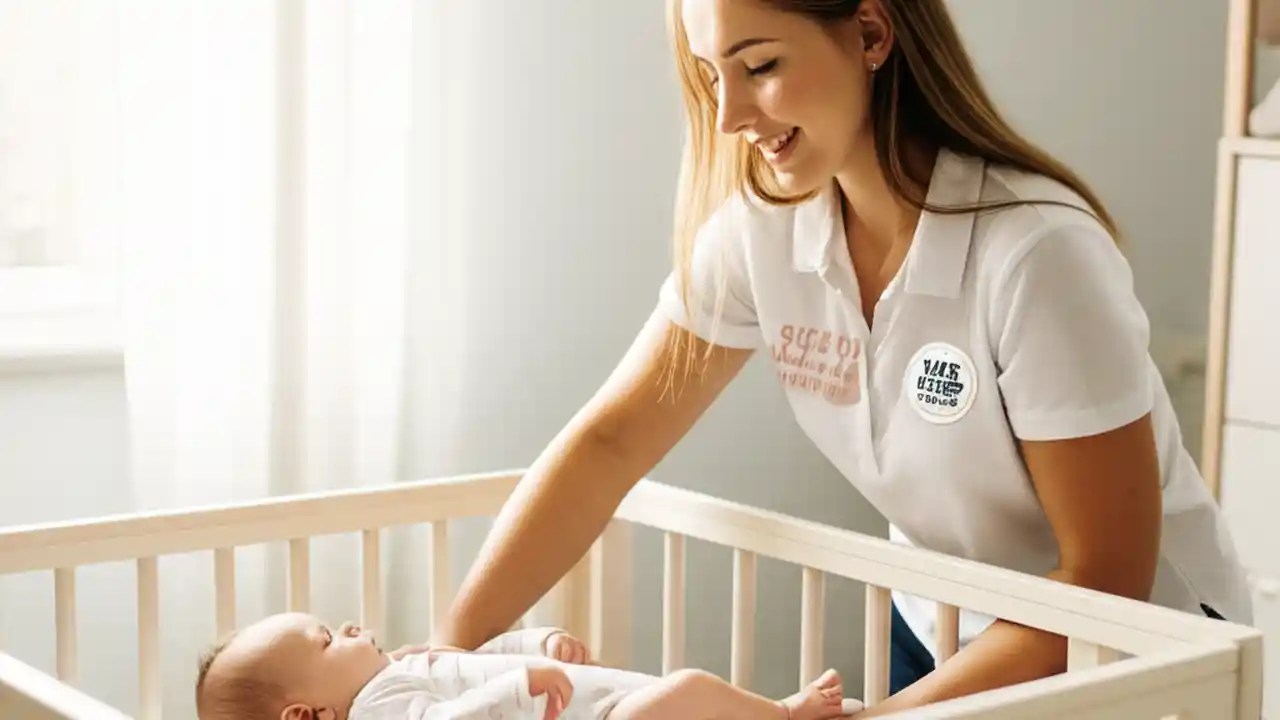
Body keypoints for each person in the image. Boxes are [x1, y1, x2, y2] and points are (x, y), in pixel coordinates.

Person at [432, 0, 1254, 716]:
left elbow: (1106, 574)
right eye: (713, 77)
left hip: (1128, 653)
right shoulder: (765, 232)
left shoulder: (1035, 255)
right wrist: (441, 659)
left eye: (759, 66)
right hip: (937, 623)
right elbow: (609, 445)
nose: (730, 118)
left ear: (869, 32)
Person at [192, 612, 856, 720]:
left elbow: (474, 666)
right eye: (326, 640)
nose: (350, 628)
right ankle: (783, 713)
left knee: (680, 696)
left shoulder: (398, 670)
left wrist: (536, 645)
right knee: (684, 691)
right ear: (306, 717)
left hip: (593, 704)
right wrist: (520, 685)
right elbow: (454, 717)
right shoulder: (377, 711)